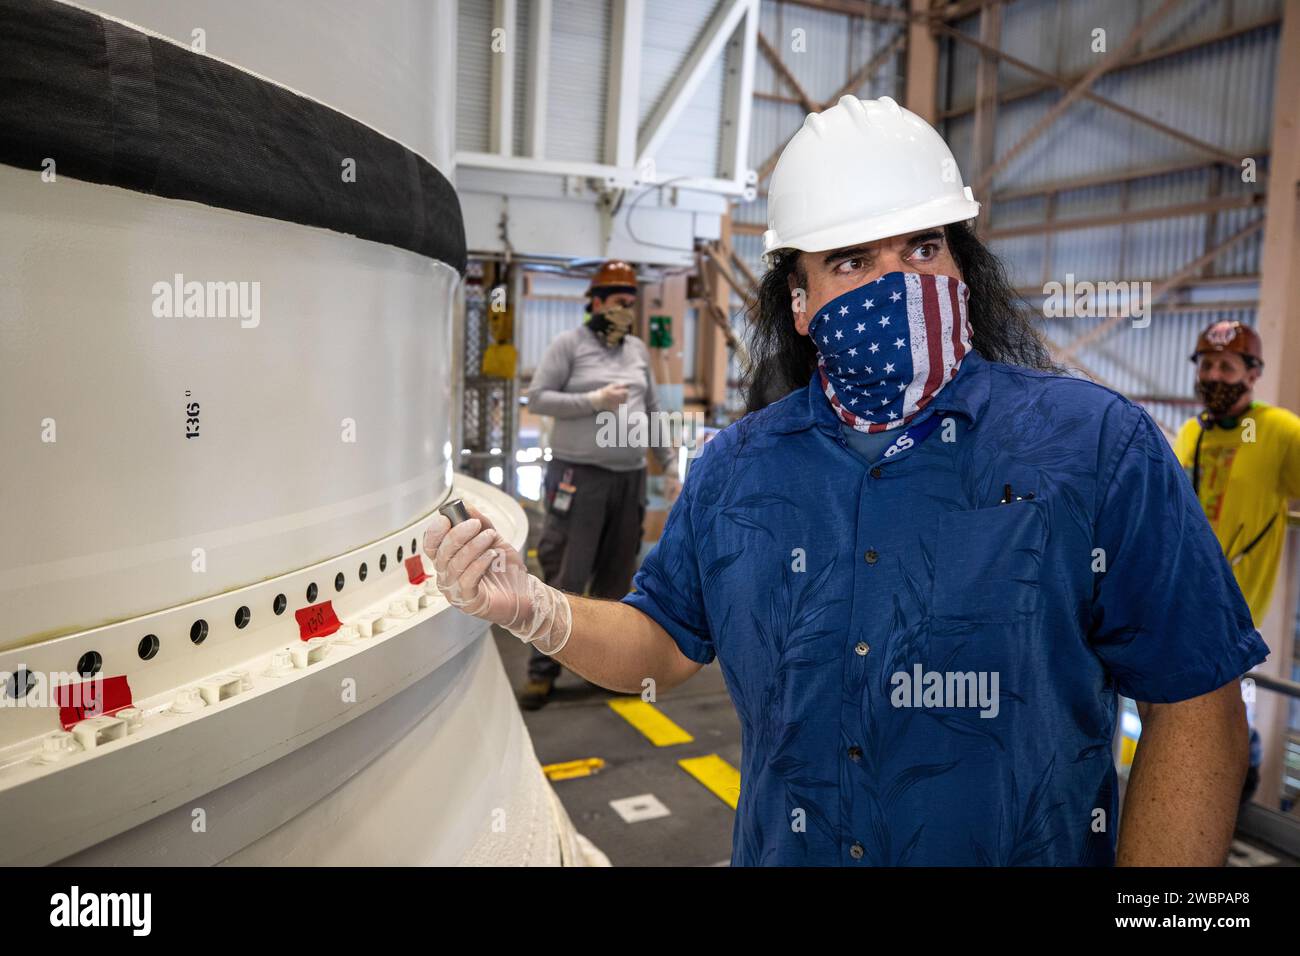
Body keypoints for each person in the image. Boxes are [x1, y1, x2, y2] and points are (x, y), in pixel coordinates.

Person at [427, 96, 1267, 865]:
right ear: (799, 301)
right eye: (854, 260)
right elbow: (666, 643)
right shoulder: (739, 469)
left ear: (963, 266)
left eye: (925, 247)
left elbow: (1196, 700)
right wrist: (532, 606)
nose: (898, 283)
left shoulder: (1094, 445)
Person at [518, 260, 680, 710]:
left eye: (631, 304)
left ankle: (610, 670)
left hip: (627, 479)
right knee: (568, 573)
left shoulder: (637, 351)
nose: (624, 311)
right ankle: (541, 671)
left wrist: (668, 465)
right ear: (595, 303)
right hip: (579, 477)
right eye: (617, 302)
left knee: (616, 578)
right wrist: (593, 400)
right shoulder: (567, 345)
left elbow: (649, 412)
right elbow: (537, 398)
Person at [1172, 320, 1300, 804]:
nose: (1214, 376)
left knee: (1226, 699)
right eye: (1206, 365)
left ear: (1252, 374)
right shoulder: (1193, 431)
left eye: (1226, 366)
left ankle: (1238, 782)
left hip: (1238, 604)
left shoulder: (1280, 431)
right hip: (1184, 593)